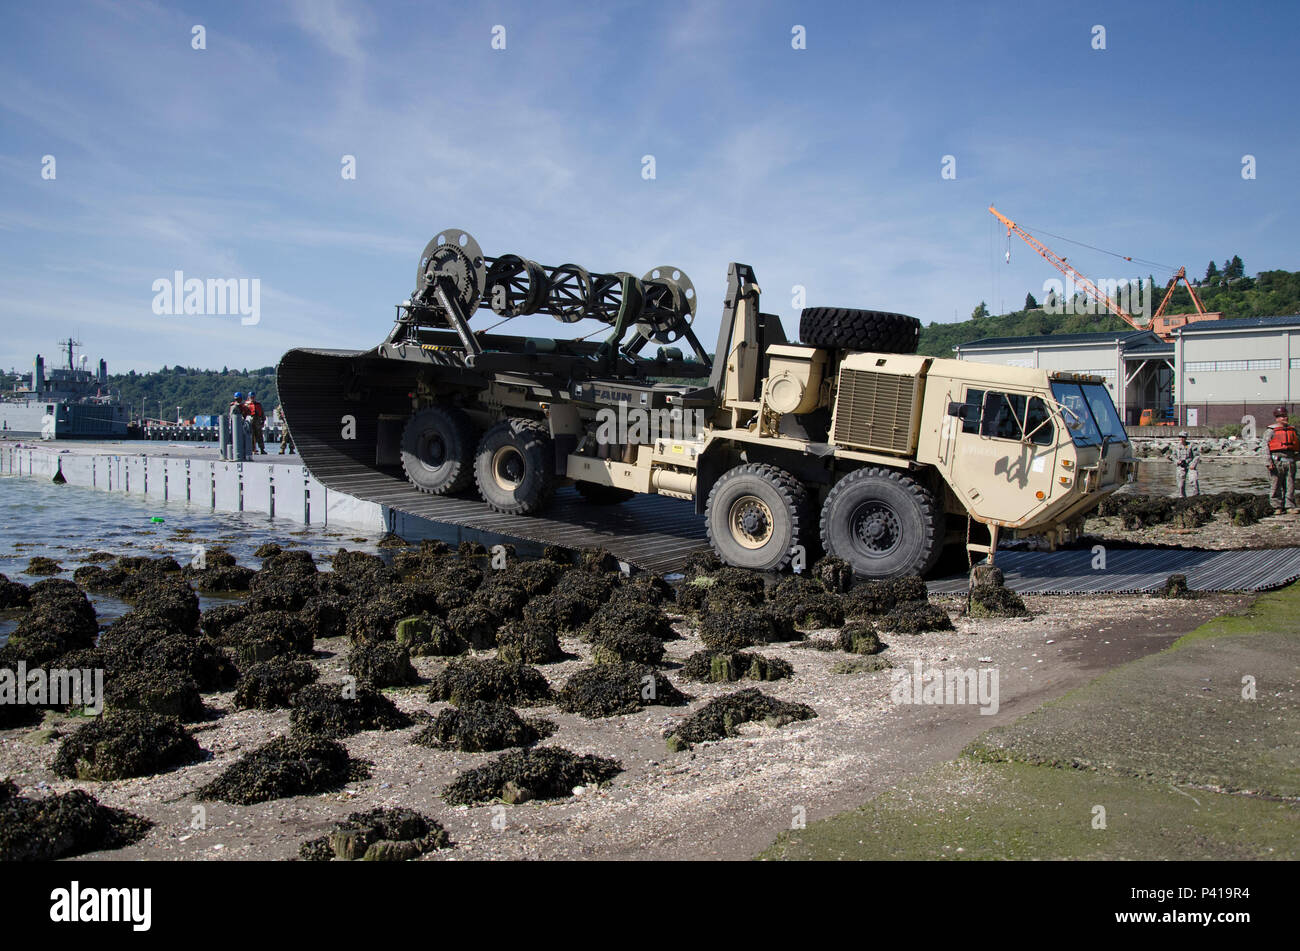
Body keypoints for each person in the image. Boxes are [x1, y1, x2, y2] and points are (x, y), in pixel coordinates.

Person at [1263, 407, 1299, 513]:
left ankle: (1290, 506)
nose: (1285, 418)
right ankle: (1276, 506)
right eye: (1282, 416)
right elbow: (1265, 447)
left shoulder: (1293, 430)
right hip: (1276, 461)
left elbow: (1298, 444)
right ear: (1277, 418)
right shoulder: (1270, 431)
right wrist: (1268, 462)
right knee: (1276, 484)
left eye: (1285, 415)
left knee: (1290, 485)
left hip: (1290, 461)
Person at [1170, 431, 1199, 497]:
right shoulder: (1176, 446)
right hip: (1181, 466)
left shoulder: (1191, 445)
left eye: (1183, 437)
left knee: (1193, 480)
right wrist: (1177, 461)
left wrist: (1193, 465)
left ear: (1186, 438)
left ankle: (1196, 495)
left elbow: (1197, 456)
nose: (1181, 438)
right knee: (1181, 484)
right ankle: (1182, 497)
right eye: (1180, 437)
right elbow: (1173, 456)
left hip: (1190, 465)